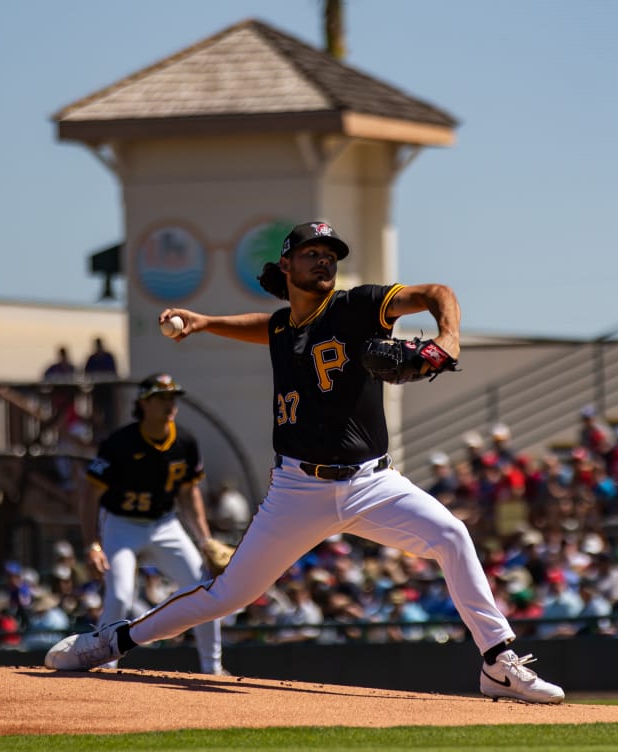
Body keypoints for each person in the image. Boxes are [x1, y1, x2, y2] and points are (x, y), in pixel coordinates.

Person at [46, 221, 563, 703]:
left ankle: (497, 661)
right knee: (228, 594)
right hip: (297, 491)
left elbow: (436, 294)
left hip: (372, 483)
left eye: (331, 255)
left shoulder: (357, 306)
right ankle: (112, 641)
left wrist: (448, 337)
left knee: (452, 536)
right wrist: (205, 323)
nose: (324, 262)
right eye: (312, 253)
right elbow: (264, 327)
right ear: (287, 265)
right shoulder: (282, 330)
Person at [72, 373, 224, 676]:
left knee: (204, 589)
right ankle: (105, 664)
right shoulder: (119, 443)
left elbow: (189, 493)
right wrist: (92, 543)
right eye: (162, 398)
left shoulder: (184, 441)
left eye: (173, 398)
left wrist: (205, 540)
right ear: (144, 403)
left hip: (164, 524)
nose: (171, 404)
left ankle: (212, 667)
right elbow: (90, 495)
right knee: (119, 595)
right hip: (121, 525)